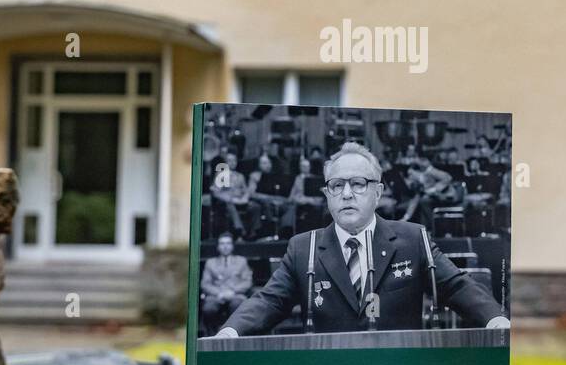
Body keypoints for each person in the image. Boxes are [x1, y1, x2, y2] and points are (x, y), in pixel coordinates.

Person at [216, 142, 509, 336]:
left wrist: (497, 320)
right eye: (337, 185)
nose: (346, 193)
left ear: (378, 193)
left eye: (358, 184)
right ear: (327, 194)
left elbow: (456, 287)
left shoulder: (413, 239)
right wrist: (230, 332)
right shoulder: (303, 248)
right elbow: (269, 302)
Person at [201, 232, 253, 332]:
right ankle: (212, 335)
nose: (225, 246)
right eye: (222, 244)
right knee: (208, 309)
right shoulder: (210, 262)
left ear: (232, 246)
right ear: (218, 247)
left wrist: (233, 292)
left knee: (237, 305)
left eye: (228, 243)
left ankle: (236, 334)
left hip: (236, 295)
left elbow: (247, 282)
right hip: (216, 295)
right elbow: (205, 284)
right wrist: (219, 293)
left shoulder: (241, 261)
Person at [211, 152, 257, 238]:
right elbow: (216, 192)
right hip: (227, 202)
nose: (232, 163)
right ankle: (240, 230)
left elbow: (246, 191)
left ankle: (254, 232)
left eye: (234, 160)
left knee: (255, 206)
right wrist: (230, 199)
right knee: (230, 205)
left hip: (241, 201)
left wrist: (245, 198)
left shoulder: (240, 176)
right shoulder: (221, 175)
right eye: (229, 161)